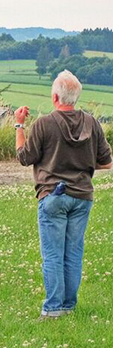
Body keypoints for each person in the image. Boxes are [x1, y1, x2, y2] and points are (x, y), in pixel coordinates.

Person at [15, 70, 112, 320]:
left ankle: (53, 308)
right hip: (82, 195)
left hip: (53, 195)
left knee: (53, 254)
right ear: (75, 96)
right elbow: (107, 161)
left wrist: (19, 125)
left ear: (55, 96)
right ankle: (68, 305)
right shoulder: (92, 123)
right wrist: (83, 165)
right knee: (73, 253)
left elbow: (25, 157)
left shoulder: (44, 124)